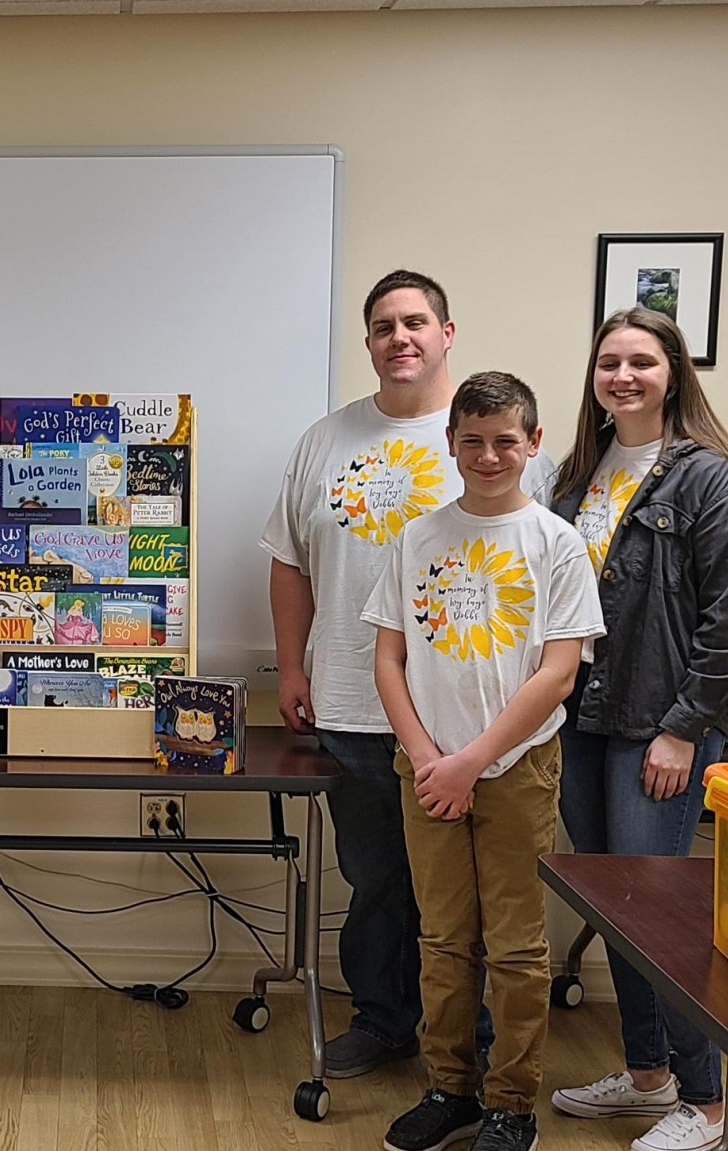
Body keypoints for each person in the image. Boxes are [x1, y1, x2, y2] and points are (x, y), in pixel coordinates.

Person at [260, 270, 554, 1077]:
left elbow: (542, 573)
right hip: (353, 702)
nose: (401, 337)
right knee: (376, 879)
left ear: (446, 333)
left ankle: (472, 1047)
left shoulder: (492, 435)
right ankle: (383, 1020)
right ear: (368, 343)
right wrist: (291, 667)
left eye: (416, 321)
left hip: (471, 716)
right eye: (385, 325)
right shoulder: (324, 441)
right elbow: (289, 561)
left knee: (475, 894)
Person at [548, 307, 728, 1151]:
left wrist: (683, 731)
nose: (623, 376)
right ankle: (647, 1074)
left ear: (674, 372)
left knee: (659, 914)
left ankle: (707, 1100)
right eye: (609, 361)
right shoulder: (579, 474)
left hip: (661, 723)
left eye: (641, 361)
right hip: (580, 719)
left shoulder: (710, 477)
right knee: (612, 907)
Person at [365, 372, 604, 1151]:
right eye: (473, 440)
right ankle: (449, 1088)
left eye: (506, 440)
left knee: (515, 946)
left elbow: (558, 673)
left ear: (533, 443)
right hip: (426, 766)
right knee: (441, 938)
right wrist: (428, 756)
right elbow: (389, 659)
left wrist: (472, 761)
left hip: (516, 768)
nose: (489, 455)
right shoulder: (417, 538)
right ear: (451, 444)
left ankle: (511, 1104)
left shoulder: (555, 543)